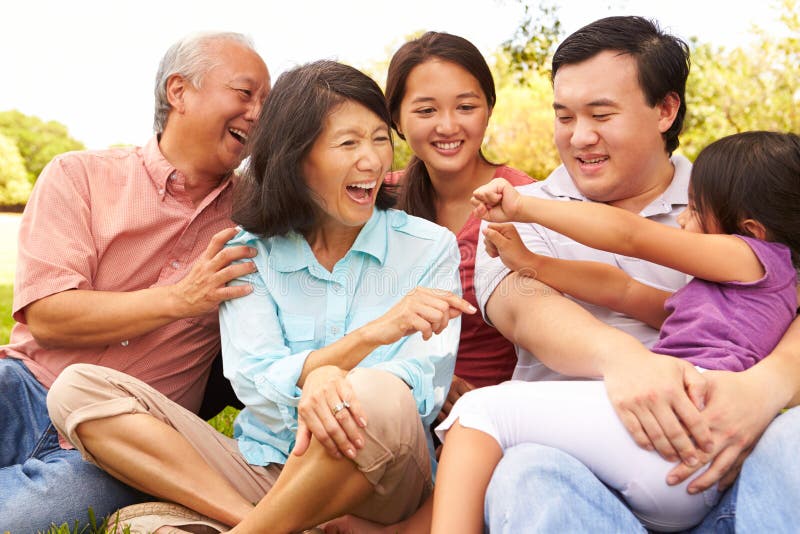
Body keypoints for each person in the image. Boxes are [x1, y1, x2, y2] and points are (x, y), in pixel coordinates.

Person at [47, 60, 474, 533]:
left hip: (378, 479)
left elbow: (419, 389)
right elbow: (255, 381)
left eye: (378, 139)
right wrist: (359, 345)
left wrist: (331, 381)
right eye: (348, 143)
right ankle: (266, 522)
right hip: (264, 468)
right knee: (77, 388)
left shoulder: (429, 247)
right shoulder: (248, 250)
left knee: (377, 393)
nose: (372, 161)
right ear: (296, 158)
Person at [473, 16, 800, 532]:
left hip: (730, 471)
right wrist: (624, 360)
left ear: (665, 109)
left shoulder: (725, 201)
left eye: (601, 113)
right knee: (526, 471)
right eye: (564, 116)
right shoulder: (515, 210)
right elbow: (538, 309)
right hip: (585, 468)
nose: (580, 137)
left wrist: (770, 384)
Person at [0, 31, 269, 531]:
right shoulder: (79, 176)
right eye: (245, 93)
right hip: (21, 387)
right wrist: (181, 300)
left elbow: (344, 172)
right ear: (179, 92)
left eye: (266, 103)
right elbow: (50, 316)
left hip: (123, 443)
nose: (258, 113)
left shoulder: (262, 214)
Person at [384, 31, 533, 419]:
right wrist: (427, 378)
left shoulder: (525, 202)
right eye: (426, 111)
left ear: (488, 108)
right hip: (391, 401)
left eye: (465, 107)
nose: (448, 126)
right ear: (396, 120)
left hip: (493, 417)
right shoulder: (376, 200)